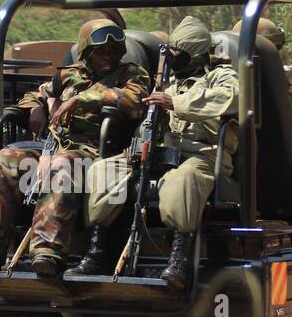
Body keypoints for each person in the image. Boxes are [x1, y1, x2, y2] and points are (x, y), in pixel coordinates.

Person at [0, 19, 149, 276]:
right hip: (53, 146)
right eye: (101, 51)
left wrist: (81, 100)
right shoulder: (68, 75)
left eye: (113, 50)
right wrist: (34, 108)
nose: (108, 56)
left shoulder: (130, 74)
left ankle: (47, 253)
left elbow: (135, 100)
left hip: (97, 151)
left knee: (61, 165)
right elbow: (37, 94)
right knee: (3, 160)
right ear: (87, 52)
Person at [77, 16, 236, 289]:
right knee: (104, 170)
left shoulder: (221, 76)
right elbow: (149, 120)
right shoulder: (169, 82)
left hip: (203, 154)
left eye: (178, 54)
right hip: (163, 151)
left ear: (194, 53)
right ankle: (97, 251)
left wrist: (174, 102)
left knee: (180, 181)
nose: (174, 60)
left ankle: (179, 259)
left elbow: (228, 98)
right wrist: (140, 142)